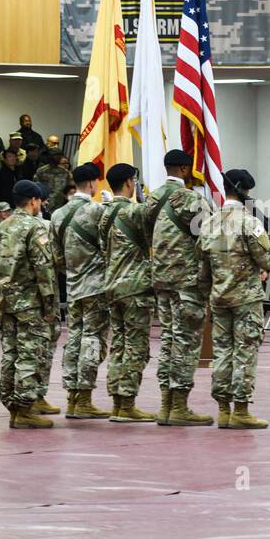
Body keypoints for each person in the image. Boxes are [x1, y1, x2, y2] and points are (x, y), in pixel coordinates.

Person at [200, 169, 270, 428]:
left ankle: (223, 409)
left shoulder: (207, 222)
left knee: (221, 352)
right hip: (245, 299)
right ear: (243, 189)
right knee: (244, 351)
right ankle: (240, 411)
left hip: (218, 298)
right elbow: (267, 259)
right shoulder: (249, 222)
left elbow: (203, 269)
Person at [143, 149, 213, 425]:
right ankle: (180, 406)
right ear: (185, 169)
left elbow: (147, 233)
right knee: (186, 342)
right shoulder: (192, 199)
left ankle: (166, 405)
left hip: (161, 279)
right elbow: (207, 237)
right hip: (187, 281)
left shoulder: (152, 198)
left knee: (169, 341)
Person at [0, 180, 59, 428]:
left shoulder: (1, 227)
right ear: (33, 201)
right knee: (31, 353)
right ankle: (24, 409)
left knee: (11, 353)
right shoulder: (35, 228)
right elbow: (44, 269)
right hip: (31, 303)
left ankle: (12, 404)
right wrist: (50, 306)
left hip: (7, 300)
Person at [97, 163, 157, 422]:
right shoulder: (136, 212)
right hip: (135, 289)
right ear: (130, 183)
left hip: (112, 286)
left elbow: (102, 246)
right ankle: (128, 403)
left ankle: (118, 401)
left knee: (119, 345)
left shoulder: (103, 213)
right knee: (136, 347)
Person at [51, 162, 110, 418]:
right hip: (96, 285)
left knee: (74, 337)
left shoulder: (57, 214)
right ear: (93, 182)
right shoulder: (98, 211)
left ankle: (72, 396)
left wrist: (74, 272)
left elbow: (56, 255)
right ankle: (84, 397)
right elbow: (109, 247)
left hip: (73, 285)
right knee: (92, 340)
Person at [34, 148, 71, 215]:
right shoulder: (41, 171)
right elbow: (35, 188)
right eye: (55, 155)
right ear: (50, 156)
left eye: (60, 155)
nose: (58, 157)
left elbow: (68, 191)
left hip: (59, 207)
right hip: (44, 206)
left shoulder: (65, 173)